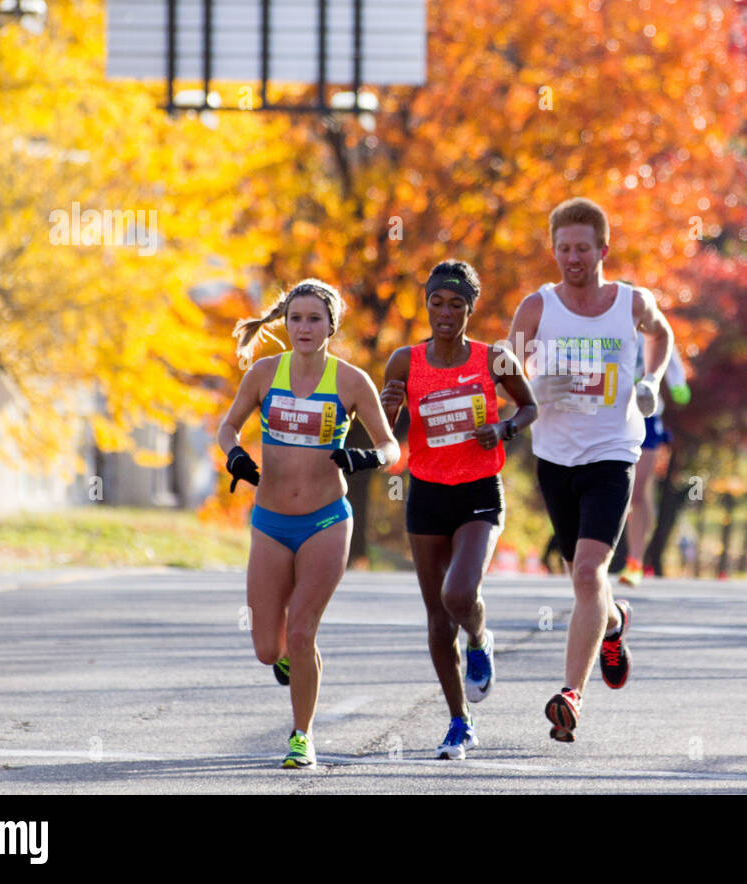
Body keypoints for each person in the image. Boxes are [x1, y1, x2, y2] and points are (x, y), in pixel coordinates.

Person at [507, 196, 672, 742]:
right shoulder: (536, 308)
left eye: (582, 248)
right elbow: (505, 371)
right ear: (553, 250)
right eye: (562, 249)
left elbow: (663, 334)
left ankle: (570, 694)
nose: (572, 258)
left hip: (613, 453)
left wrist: (649, 381)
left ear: (603, 248)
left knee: (586, 571)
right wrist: (532, 387)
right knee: (583, 579)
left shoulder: (630, 302)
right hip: (555, 457)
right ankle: (616, 621)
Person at [218, 279, 400, 768]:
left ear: (331, 326)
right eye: (296, 318)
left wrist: (367, 457)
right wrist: (235, 454)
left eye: (314, 319)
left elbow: (391, 446)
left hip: (326, 521)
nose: (303, 327)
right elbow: (227, 425)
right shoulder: (263, 373)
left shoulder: (351, 381)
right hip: (270, 522)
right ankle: (287, 660)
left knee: (302, 633)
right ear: (285, 322)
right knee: (266, 647)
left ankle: (302, 736)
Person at [379, 261, 538, 760]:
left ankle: (480, 636)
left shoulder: (497, 360)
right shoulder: (404, 362)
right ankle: (459, 721)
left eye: (456, 304)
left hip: (478, 491)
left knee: (459, 594)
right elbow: (387, 434)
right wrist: (388, 407)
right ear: (425, 304)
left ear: (470, 308)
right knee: (435, 615)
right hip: (426, 492)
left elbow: (529, 408)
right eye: (437, 303)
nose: (445, 313)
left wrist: (505, 429)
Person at [616, 342, 689, 586]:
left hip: (647, 417)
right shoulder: (605, 316)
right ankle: (603, 552)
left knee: (637, 492)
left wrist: (678, 385)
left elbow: (671, 357)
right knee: (625, 491)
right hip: (611, 415)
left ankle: (634, 560)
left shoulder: (653, 326)